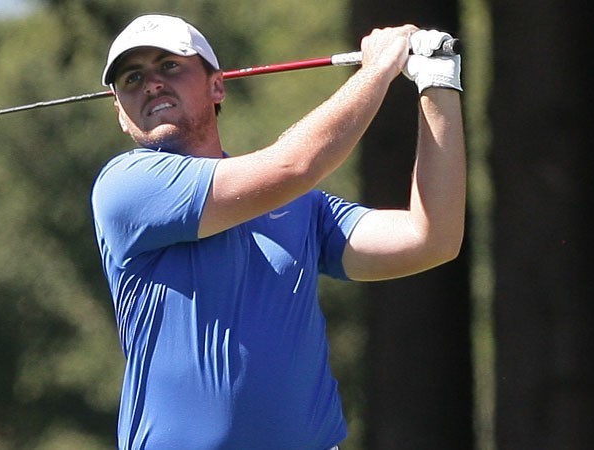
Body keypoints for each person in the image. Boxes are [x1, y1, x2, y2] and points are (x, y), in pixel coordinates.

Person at [91, 13, 465, 450]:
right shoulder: (126, 185)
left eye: (169, 65)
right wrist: (379, 69)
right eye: (132, 78)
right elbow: (294, 165)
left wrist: (438, 82)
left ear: (217, 85)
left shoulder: (301, 205)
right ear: (120, 113)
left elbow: (430, 239)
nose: (151, 83)